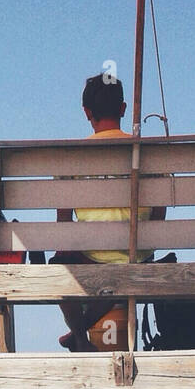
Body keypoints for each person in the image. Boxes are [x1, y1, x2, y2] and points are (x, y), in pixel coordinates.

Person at [56, 73, 165, 352]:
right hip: (139, 256)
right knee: (120, 271)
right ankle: (80, 332)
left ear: (86, 112)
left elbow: (62, 229)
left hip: (91, 259)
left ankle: (79, 333)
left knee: (58, 267)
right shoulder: (151, 154)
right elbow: (159, 219)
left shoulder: (73, 159)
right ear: (123, 109)